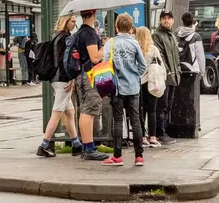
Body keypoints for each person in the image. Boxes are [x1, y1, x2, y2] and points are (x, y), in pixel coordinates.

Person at [103, 13, 147, 166]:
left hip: (117, 87)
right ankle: (139, 156)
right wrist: (134, 75)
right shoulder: (134, 43)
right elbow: (142, 65)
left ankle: (117, 156)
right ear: (130, 27)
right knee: (135, 120)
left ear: (117, 26)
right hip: (133, 87)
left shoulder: (111, 43)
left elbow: (105, 64)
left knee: (117, 120)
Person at [36, 15, 83, 157]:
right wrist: (71, 78)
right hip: (63, 79)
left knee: (70, 112)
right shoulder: (65, 38)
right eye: (73, 21)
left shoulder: (56, 36)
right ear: (66, 21)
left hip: (55, 78)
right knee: (56, 113)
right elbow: (65, 60)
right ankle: (44, 145)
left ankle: (76, 144)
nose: (75, 24)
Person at [73, 9, 109, 161]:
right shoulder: (89, 33)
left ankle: (87, 145)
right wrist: (104, 46)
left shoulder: (80, 32)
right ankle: (89, 148)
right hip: (89, 75)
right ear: (93, 15)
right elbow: (95, 57)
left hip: (82, 75)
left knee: (85, 110)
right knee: (89, 110)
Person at [152, 11, 180, 144]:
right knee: (162, 105)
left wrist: (177, 70)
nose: (166, 21)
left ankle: (164, 131)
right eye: (164, 18)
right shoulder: (157, 36)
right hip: (164, 76)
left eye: (169, 18)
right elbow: (160, 56)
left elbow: (176, 56)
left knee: (168, 105)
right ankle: (160, 132)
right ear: (160, 20)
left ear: (173, 20)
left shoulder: (172, 36)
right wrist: (167, 71)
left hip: (173, 76)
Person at [135, 26, 162, 148]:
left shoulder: (135, 49)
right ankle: (152, 137)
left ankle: (142, 137)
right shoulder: (154, 49)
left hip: (138, 82)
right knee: (152, 110)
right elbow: (160, 65)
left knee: (140, 110)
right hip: (152, 82)